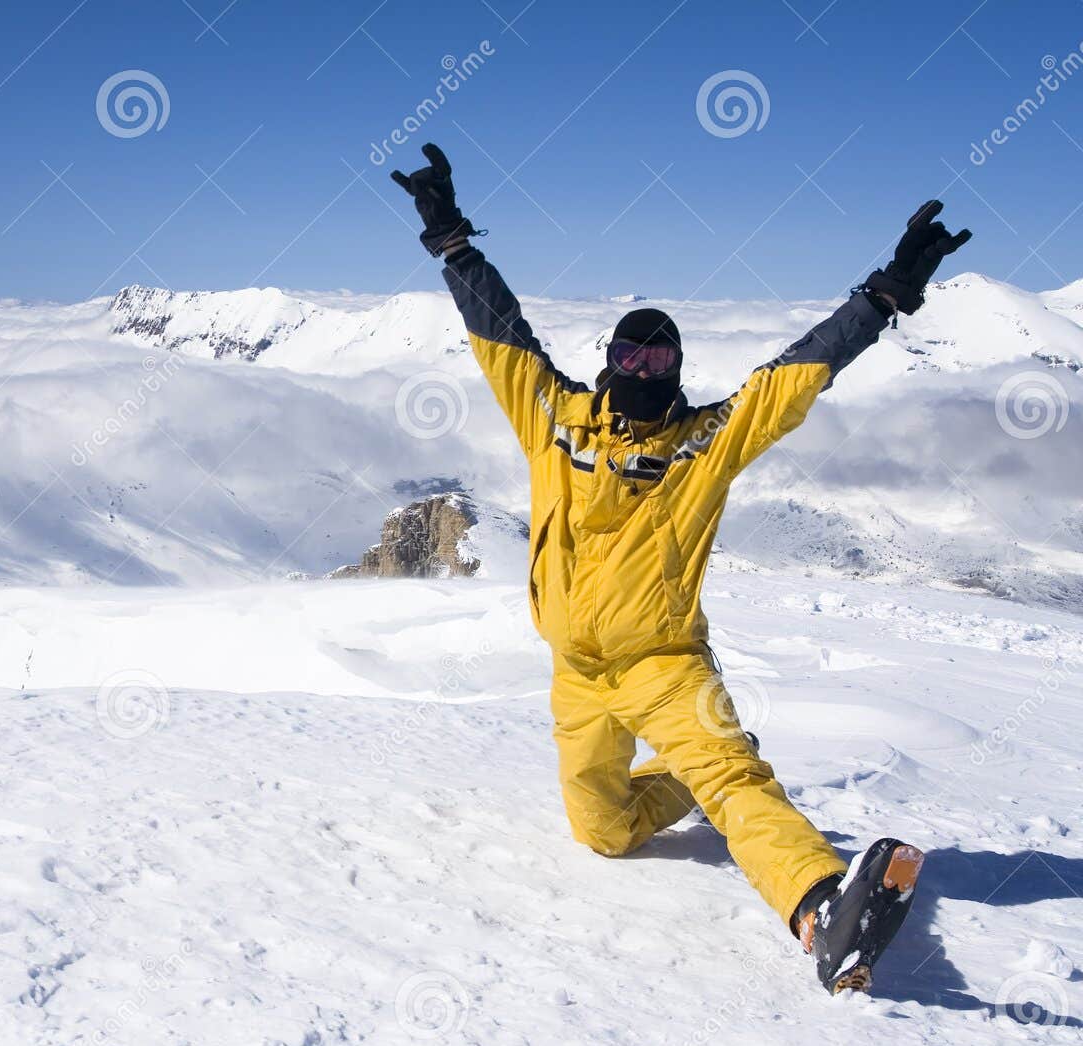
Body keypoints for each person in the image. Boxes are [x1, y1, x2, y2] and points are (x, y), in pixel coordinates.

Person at [391, 143, 971, 994]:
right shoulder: (557, 418)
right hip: (576, 672)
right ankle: (680, 783)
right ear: (611, 360)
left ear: (679, 373)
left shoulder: (703, 442)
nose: (645, 373)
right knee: (602, 830)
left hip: (665, 665)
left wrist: (883, 296)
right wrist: (452, 242)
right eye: (633, 359)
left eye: (661, 364)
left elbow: (792, 378)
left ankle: (822, 911)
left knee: (733, 777)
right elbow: (502, 338)